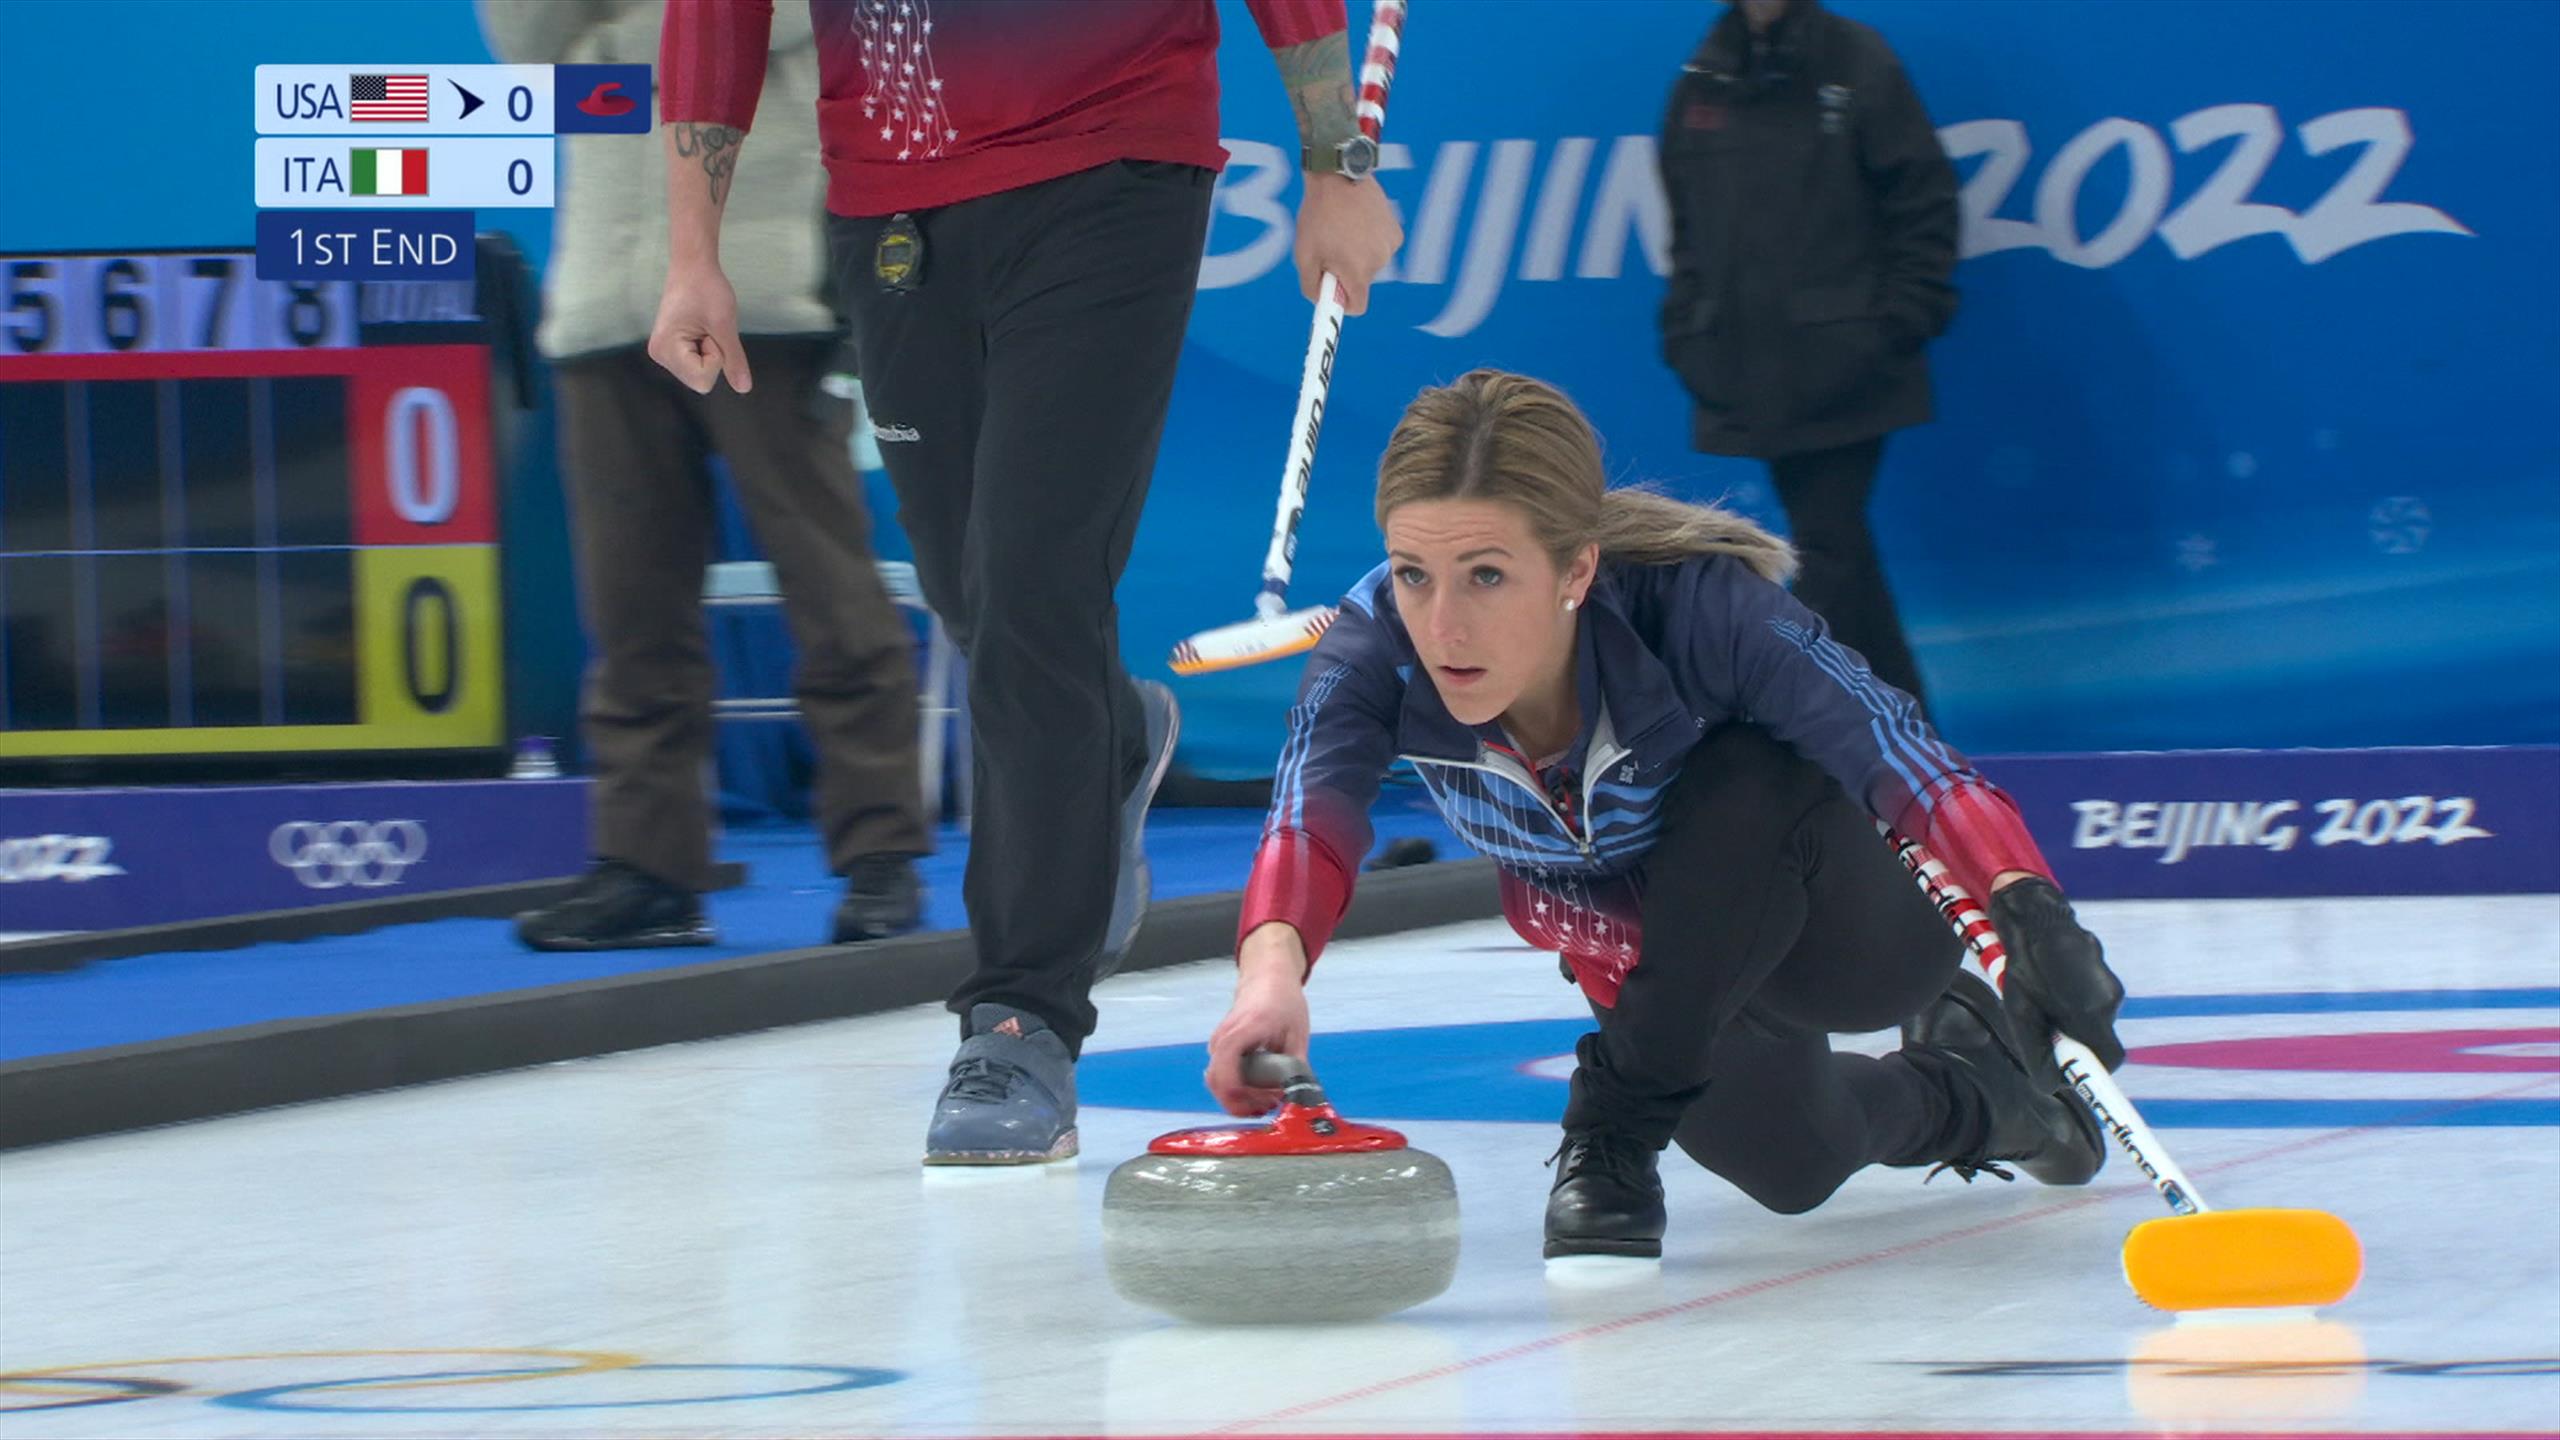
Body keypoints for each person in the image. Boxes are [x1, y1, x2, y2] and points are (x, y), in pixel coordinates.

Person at [651, 0, 1403, 1163]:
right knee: (980, 604)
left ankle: (1020, 1021)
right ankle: (1102, 736)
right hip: (889, 205)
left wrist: (1333, 166)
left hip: (1113, 167)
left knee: (1033, 591)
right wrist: (690, 255)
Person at [1205, 371, 2128, 1259]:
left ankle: (1612, 1125)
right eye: (1414, 574)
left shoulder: (1703, 610)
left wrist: (2028, 906)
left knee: (1740, 777)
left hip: (1843, 928)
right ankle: (1983, 1091)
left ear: (1576, 569)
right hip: (1659, 965)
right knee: (1795, 1165)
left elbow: (1896, 748)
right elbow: (1308, 818)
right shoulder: (1379, 651)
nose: (1441, 625)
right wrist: (1268, 978)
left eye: (1485, 577)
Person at [484, 0, 931, 953]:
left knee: (832, 590)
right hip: (604, 307)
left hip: (769, 294)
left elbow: (761, 23)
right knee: (630, 612)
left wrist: (615, 41)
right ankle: (650, 872)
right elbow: (523, 39)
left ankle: (881, 856)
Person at [1656, 0, 1957, 716]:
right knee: (1831, 550)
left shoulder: (1857, 62)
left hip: (1850, 369)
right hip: (1749, 370)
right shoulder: (1705, 77)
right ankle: (1901, 740)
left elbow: (1924, 198)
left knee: (1826, 549)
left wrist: (1900, 319)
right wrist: (1690, 332)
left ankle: (1861, 744)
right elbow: (1688, 228)